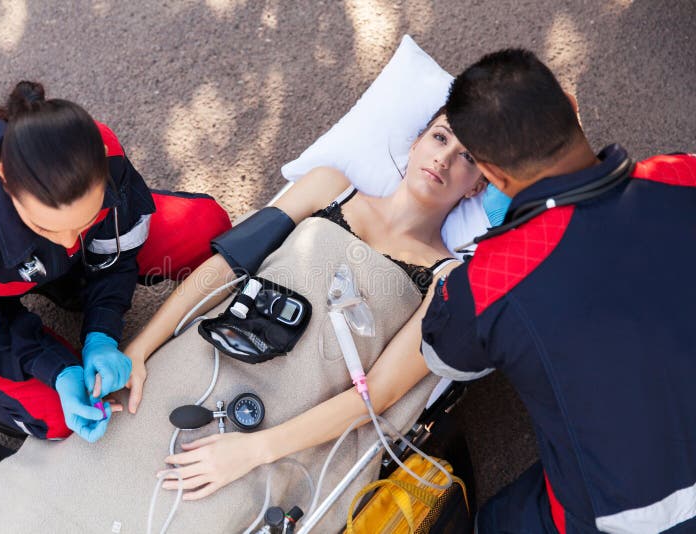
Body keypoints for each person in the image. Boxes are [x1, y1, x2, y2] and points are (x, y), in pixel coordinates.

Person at [120, 107, 486, 500]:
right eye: (441, 137)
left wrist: (252, 452)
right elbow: (226, 266)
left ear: (477, 186)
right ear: (416, 142)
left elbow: (378, 395)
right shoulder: (328, 187)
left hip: (285, 434)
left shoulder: (447, 280)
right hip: (210, 355)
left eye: (468, 157)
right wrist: (141, 347)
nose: (443, 159)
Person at [420, 49, 696, 533]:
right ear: (571, 105)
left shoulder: (491, 278)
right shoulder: (684, 174)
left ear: (492, 177)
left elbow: (441, 356)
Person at [0, 81, 231, 443]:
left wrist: (102, 333)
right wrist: (58, 370)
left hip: (9, 259)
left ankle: (61, 279)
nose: (70, 243)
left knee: (204, 228)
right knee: (55, 418)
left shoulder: (103, 153)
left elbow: (119, 255)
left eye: (83, 222)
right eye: (45, 227)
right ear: (6, 181)